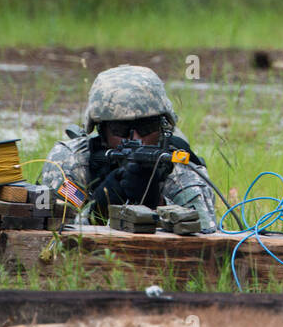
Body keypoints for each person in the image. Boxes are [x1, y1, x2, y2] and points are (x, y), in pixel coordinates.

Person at [42, 65, 218, 231]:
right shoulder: (74, 164)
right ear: (102, 131)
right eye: (121, 129)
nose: (136, 139)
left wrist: (158, 204)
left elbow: (207, 238)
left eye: (147, 128)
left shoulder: (178, 167)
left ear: (162, 128)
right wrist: (98, 209)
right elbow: (49, 233)